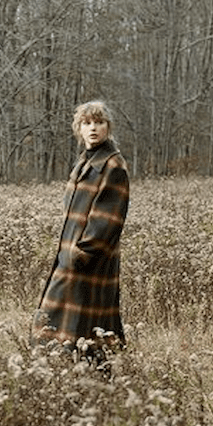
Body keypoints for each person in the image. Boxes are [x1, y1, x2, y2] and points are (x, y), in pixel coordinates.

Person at [32, 100, 129, 361]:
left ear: (108, 127)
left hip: (90, 260)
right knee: (62, 322)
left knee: (87, 325)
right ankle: (62, 371)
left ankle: (91, 374)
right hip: (70, 256)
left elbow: (107, 219)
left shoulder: (113, 165)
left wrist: (82, 253)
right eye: (87, 123)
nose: (93, 128)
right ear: (79, 128)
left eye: (99, 122)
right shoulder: (84, 162)